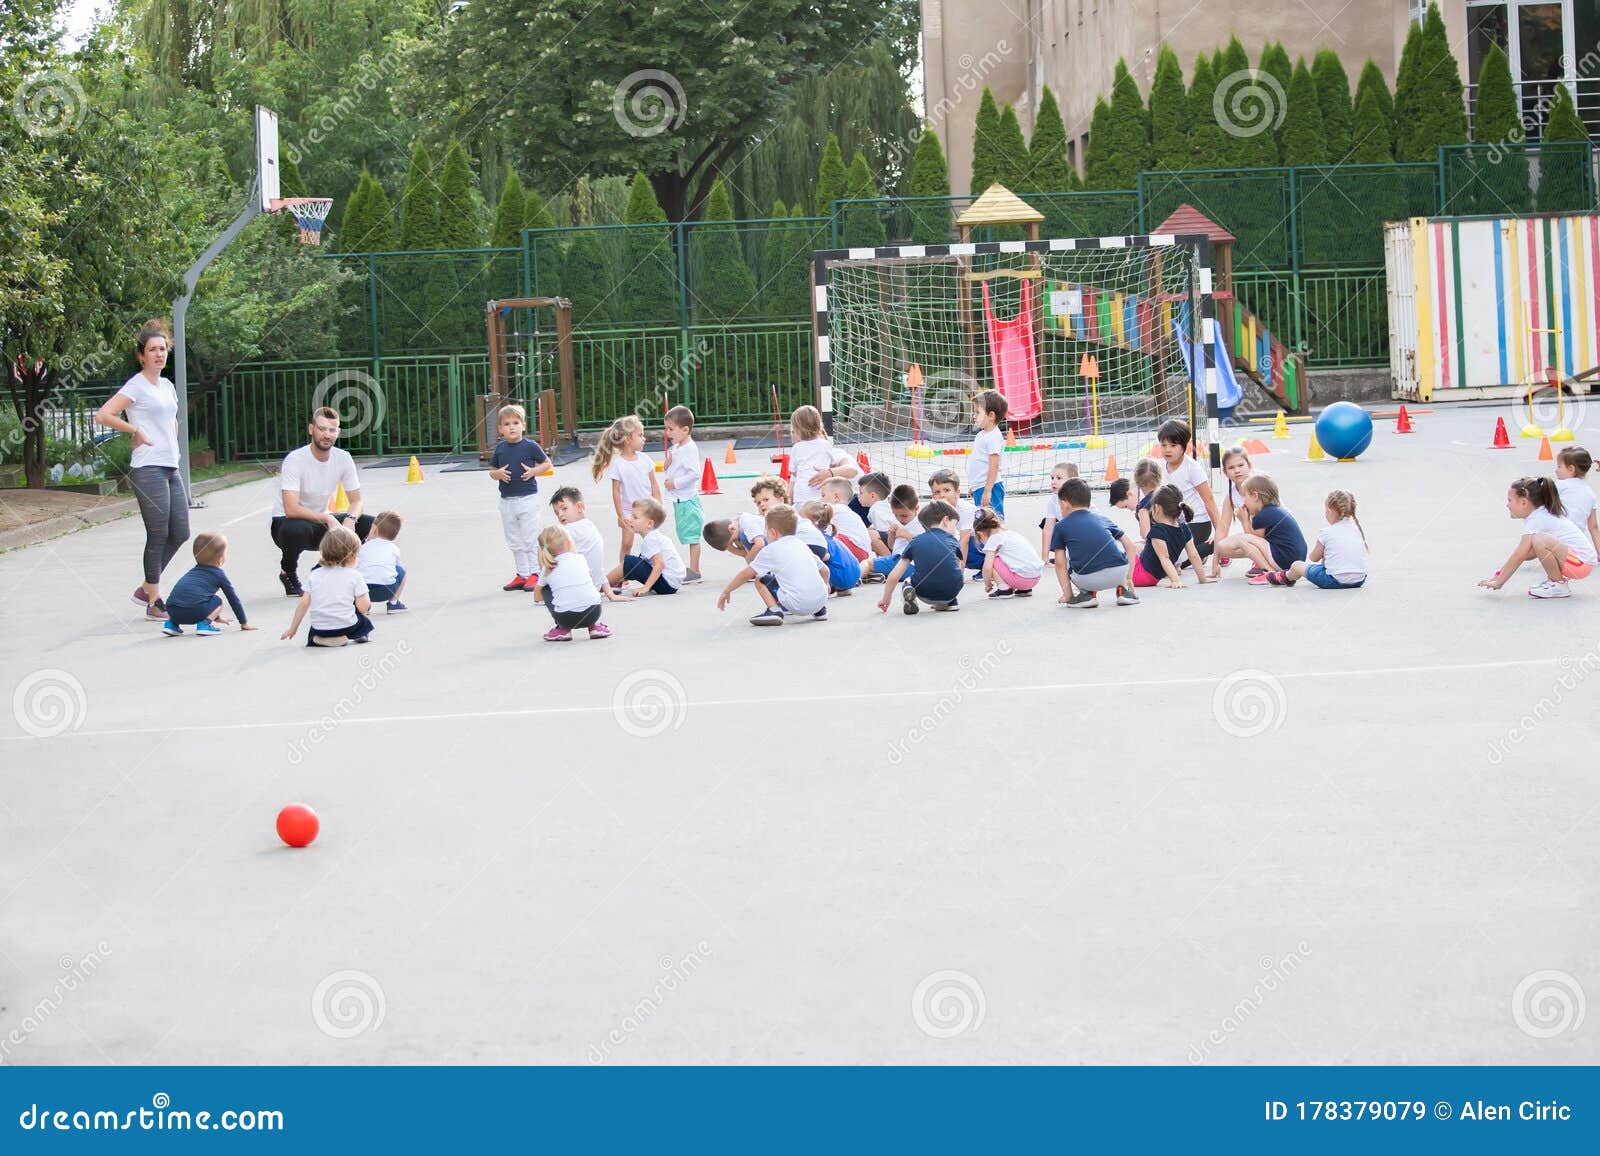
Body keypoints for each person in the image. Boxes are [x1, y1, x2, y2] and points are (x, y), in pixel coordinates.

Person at [95, 319, 189, 619]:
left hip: (170, 466)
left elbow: (172, 419)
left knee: (181, 532)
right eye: (152, 350)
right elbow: (103, 414)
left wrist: (172, 442)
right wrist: (134, 429)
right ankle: (154, 601)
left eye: (163, 349)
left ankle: (147, 586)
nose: (159, 354)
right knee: (158, 533)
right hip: (147, 468)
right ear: (141, 355)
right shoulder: (136, 385)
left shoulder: (168, 386)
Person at [268, 407, 372, 596]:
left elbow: (357, 501)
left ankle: (327, 570)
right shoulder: (295, 460)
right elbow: (291, 509)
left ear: (338, 432)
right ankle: (288, 572)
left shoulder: (343, 458)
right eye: (322, 429)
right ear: (311, 429)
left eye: (332, 430)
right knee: (296, 529)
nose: (327, 434)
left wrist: (350, 520)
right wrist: (328, 518)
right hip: (287, 524)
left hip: (321, 523)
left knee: (372, 524)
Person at [1478, 476, 1598, 598]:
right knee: (1538, 541)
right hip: (1578, 564)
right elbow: (1526, 554)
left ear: (1523, 502)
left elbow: (1520, 554)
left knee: (1539, 540)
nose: (1507, 505)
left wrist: (1499, 582)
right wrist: (1499, 575)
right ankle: (1556, 582)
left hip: (1580, 564)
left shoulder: (1536, 519)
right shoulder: (1540, 515)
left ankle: (1558, 584)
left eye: (1510, 500)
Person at [717, 504, 830, 626]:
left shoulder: (770, 550)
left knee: (760, 579)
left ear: (773, 532)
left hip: (797, 605)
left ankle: (774, 611)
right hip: (821, 600)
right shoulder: (802, 545)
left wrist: (727, 591)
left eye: (766, 531)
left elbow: (746, 574)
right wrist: (824, 587)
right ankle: (820, 611)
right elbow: (825, 571)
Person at [488, 403, 552, 592]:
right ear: (500, 429)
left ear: (523, 425)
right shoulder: (500, 449)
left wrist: (534, 471)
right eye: (506, 424)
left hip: (527, 499)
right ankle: (522, 573)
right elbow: (492, 470)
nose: (512, 427)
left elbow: (547, 464)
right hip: (507, 501)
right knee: (514, 539)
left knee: (530, 537)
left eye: (516, 423)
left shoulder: (530, 446)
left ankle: (535, 573)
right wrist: (498, 474)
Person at [1050, 477, 1137, 608]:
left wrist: (1068, 595)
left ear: (1064, 503)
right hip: (1118, 574)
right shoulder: (1102, 519)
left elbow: (1060, 564)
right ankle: (1123, 591)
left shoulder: (1060, 526)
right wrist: (1128, 577)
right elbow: (1130, 546)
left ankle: (1086, 594)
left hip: (1087, 579)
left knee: (1066, 559)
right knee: (1116, 544)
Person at [280, 527, 373, 646]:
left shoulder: (314, 574)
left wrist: (292, 629)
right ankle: (360, 635)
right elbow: (363, 607)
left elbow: (304, 603)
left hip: (320, 628)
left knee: (315, 628)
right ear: (351, 556)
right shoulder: (355, 576)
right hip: (346, 626)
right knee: (364, 623)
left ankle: (319, 639)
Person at [1264, 489, 1368, 590]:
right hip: (1359, 579)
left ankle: (1286, 576)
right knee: (1326, 566)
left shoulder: (1326, 532)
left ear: (1329, 511)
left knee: (1297, 565)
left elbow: (1313, 558)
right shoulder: (1357, 530)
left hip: (1334, 580)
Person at [591, 414, 660, 564]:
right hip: (629, 512)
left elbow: (654, 484)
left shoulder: (646, 460)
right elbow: (616, 491)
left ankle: (655, 568)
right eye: (640, 435)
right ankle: (623, 570)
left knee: (653, 543)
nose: (644, 439)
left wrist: (658, 504)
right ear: (628, 439)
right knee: (627, 544)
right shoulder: (618, 464)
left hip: (648, 510)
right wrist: (621, 515)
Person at [877, 500, 965, 614]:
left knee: (908, 580)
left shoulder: (915, 541)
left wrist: (886, 598)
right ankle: (950, 602)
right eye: (954, 525)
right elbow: (958, 567)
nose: (955, 530)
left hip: (924, 592)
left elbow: (895, 575)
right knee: (952, 574)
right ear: (945, 520)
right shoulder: (953, 541)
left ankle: (908, 589)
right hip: (951, 591)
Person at [161, 532, 256, 637]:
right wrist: (244, 622)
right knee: (218, 600)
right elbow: (233, 599)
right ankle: (204, 625)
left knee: (185, 597)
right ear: (220, 559)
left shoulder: (191, 573)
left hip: (172, 610)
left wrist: (217, 617)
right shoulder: (219, 575)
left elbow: (192, 597)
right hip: (195, 612)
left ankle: (171, 625)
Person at [1155, 419, 1221, 560]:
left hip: (1197, 523)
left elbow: (1209, 500)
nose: (1167, 449)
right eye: (1164, 445)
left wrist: (1220, 534)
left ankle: (1214, 547)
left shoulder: (1192, 468)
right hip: (1173, 524)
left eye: (1173, 445)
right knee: (1160, 556)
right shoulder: (1159, 467)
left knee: (1176, 559)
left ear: (1184, 446)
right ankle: (1197, 552)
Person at [550, 487, 625, 602]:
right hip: (592, 589)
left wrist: (544, 547)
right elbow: (598, 568)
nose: (560, 515)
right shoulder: (590, 526)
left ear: (579, 507)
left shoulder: (568, 530)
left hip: (576, 591)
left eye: (564, 509)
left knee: (547, 552)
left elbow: (544, 543)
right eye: (557, 513)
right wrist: (611, 595)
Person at [537, 526, 610, 641]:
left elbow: (537, 596)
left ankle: (563, 629)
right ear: (568, 543)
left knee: (545, 588)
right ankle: (595, 626)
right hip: (593, 613)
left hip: (566, 618)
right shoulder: (580, 559)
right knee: (587, 586)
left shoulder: (546, 569)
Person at [1130, 485, 1212, 589]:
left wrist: (1175, 581)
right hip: (1153, 578)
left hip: (1139, 576)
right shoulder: (1184, 528)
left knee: (1130, 548)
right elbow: (1194, 555)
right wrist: (1202, 578)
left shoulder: (1157, 530)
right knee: (1135, 549)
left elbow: (1164, 558)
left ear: (1157, 508)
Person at [606, 498, 685, 596]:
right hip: (671, 584)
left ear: (649, 524)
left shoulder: (650, 539)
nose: (630, 519)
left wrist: (645, 588)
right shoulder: (653, 535)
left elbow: (659, 564)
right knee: (638, 560)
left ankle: (602, 585)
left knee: (630, 562)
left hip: (667, 585)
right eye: (631, 516)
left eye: (635, 517)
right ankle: (614, 583)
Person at [661, 405, 704, 582]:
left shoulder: (689, 449)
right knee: (686, 533)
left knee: (692, 536)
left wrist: (675, 483)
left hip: (688, 499)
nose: (667, 433)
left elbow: (694, 474)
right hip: (680, 499)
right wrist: (667, 464)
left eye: (671, 429)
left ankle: (695, 570)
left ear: (685, 430)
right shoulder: (677, 447)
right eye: (666, 429)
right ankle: (693, 569)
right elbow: (672, 468)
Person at [1239, 476, 1309, 585]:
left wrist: (1244, 521)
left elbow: (1253, 539)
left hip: (1285, 559)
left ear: (1255, 496)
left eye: (1245, 496)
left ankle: (1268, 572)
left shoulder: (1262, 515)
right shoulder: (1274, 510)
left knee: (1243, 540)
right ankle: (1272, 570)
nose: (1244, 501)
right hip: (1296, 558)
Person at [786, 404, 859, 505]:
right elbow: (832, 462)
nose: (791, 435)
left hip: (801, 495)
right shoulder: (825, 445)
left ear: (798, 430)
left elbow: (794, 474)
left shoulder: (797, 448)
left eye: (793, 432)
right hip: (821, 495)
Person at [974, 509, 1044, 597]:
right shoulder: (1010, 534)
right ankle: (1024, 590)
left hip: (1021, 580)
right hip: (1035, 578)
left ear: (980, 534)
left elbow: (987, 568)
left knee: (993, 560)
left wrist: (987, 584)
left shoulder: (994, 539)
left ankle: (1004, 590)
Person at [1208, 446, 1254, 578]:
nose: (1237, 470)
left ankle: (1264, 563)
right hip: (1255, 536)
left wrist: (1245, 522)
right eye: (1231, 468)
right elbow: (1222, 528)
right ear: (1225, 472)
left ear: (1249, 465)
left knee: (1244, 536)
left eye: (1241, 465)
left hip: (1274, 536)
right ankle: (1260, 558)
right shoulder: (1231, 496)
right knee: (1222, 546)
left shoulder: (1259, 487)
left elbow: (1268, 523)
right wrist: (1215, 563)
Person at [801, 502, 863, 594]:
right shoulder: (829, 536)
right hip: (855, 574)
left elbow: (826, 556)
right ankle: (841, 588)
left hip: (842, 577)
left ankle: (823, 588)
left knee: (812, 560)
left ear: (812, 523)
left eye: (802, 520)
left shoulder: (817, 539)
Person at [928, 469, 980, 576]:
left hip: (982, 545)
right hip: (969, 545)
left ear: (957, 492)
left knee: (956, 544)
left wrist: (959, 575)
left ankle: (988, 567)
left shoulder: (965, 510)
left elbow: (964, 542)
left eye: (946, 490)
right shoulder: (937, 510)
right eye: (937, 492)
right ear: (933, 496)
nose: (942, 495)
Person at [1555, 447, 1600, 563]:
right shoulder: (1590, 493)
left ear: (1571, 469)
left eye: (1559, 467)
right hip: (1577, 544)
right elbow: (1593, 527)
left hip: (1557, 538)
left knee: (1533, 537)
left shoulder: (1560, 485)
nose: (1556, 470)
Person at [869, 484, 923, 579]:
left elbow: (923, 549)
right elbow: (892, 546)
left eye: (904, 516)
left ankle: (853, 580)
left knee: (867, 563)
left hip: (909, 564)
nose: (899, 519)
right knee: (872, 565)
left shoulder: (921, 523)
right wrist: (892, 535)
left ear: (916, 508)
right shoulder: (898, 523)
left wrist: (907, 536)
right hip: (899, 561)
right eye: (895, 515)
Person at [358, 510, 408, 612]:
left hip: (364, 592)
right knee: (402, 570)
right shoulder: (394, 549)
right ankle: (394, 603)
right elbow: (395, 568)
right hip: (387, 591)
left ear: (374, 528)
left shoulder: (363, 547)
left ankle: (362, 606)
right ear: (395, 535)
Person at [969, 390, 1008, 514]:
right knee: (982, 520)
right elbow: (980, 461)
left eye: (977, 412)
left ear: (991, 415)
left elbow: (994, 465)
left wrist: (988, 490)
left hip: (991, 487)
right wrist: (974, 486)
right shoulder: (981, 435)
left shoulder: (993, 437)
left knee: (994, 519)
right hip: (980, 486)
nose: (974, 415)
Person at [820, 477, 872, 561]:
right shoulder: (849, 512)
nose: (820, 500)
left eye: (823, 495)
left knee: (819, 536)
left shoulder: (835, 508)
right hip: (863, 552)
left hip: (852, 546)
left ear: (836, 497)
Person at [1039, 462, 1080, 562]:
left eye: (1059, 478)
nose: (1054, 481)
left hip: (1086, 533)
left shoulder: (1079, 498)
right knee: (1048, 523)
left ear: (1072, 481)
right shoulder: (1053, 501)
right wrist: (1045, 557)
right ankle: (1063, 557)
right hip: (1071, 530)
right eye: (1052, 478)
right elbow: (1048, 529)